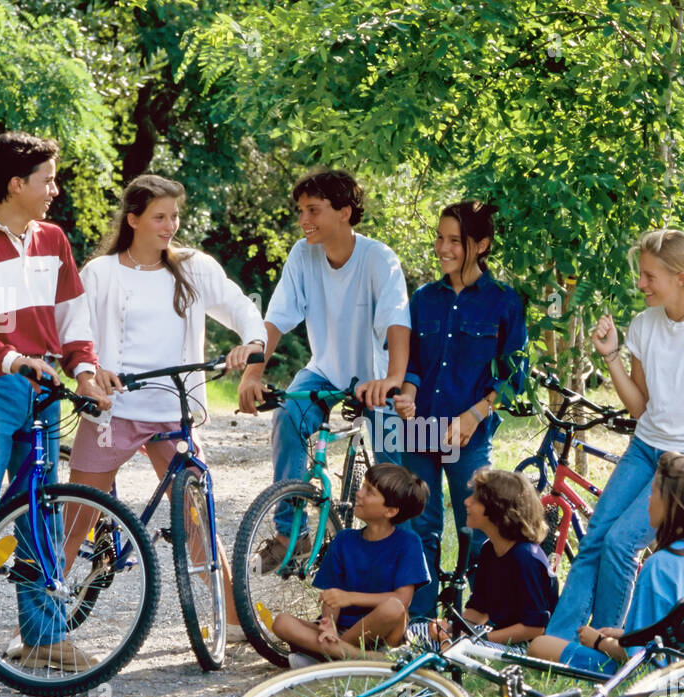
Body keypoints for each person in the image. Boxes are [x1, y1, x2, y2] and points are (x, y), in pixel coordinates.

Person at [0, 132, 110, 690]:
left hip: (43, 391)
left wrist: (83, 367)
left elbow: (74, 316)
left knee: (40, 513)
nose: (54, 189)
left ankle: (43, 637)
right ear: (16, 184)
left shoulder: (54, 240)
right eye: (47, 179)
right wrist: (10, 359)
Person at [63, 173, 266, 636]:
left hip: (172, 413)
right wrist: (92, 373)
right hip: (112, 412)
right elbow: (76, 332)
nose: (170, 224)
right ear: (133, 219)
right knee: (78, 520)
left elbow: (240, 307)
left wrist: (250, 342)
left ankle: (232, 624)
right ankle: (37, 626)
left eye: (175, 215)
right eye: (160, 216)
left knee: (197, 519)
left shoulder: (194, 266)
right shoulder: (101, 272)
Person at [540, 228, 684, 644]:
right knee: (596, 535)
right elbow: (641, 407)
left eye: (650, 276)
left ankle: (607, 646)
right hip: (646, 446)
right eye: (641, 274)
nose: (641, 284)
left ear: (682, 278)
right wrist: (611, 356)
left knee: (621, 542)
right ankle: (558, 643)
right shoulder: (643, 324)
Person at [237, 169, 411, 571]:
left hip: (378, 377)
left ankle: (397, 562)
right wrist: (252, 373)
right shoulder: (303, 253)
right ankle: (290, 535)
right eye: (301, 211)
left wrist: (394, 380)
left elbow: (397, 323)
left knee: (392, 477)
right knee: (288, 415)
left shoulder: (378, 258)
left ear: (345, 213)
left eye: (313, 210)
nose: (304, 220)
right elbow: (276, 319)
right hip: (325, 372)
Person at [393, 202, 527, 619]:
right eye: (440, 237)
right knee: (420, 526)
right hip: (420, 429)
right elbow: (412, 362)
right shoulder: (422, 299)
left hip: (469, 433)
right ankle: (419, 622)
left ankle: (479, 621)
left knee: (478, 526)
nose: (443, 248)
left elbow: (512, 375)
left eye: (456, 241)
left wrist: (474, 415)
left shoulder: (504, 302)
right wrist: (408, 392)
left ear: (481, 245)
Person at [530, 452, 684, 673]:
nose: (648, 499)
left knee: (541, 645)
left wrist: (597, 641)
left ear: (674, 507)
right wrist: (625, 635)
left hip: (652, 679)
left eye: (654, 493)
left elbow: (636, 657)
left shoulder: (661, 566)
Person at [271, 464, 429, 663]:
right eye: (362, 486)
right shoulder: (344, 540)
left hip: (384, 633)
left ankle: (330, 655)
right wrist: (330, 624)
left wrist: (350, 598)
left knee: (394, 608)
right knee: (281, 622)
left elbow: (402, 600)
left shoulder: (408, 542)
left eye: (369, 491)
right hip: (342, 631)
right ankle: (359, 658)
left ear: (390, 511)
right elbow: (332, 595)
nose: (359, 493)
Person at [430, 469, 555, 646]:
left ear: (497, 508)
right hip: (494, 636)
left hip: (527, 646)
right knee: (419, 632)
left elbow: (534, 628)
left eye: (475, 499)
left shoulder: (526, 558)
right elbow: (478, 610)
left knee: (450, 649)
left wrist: (475, 639)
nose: (466, 502)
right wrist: (451, 628)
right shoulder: (489, 549)